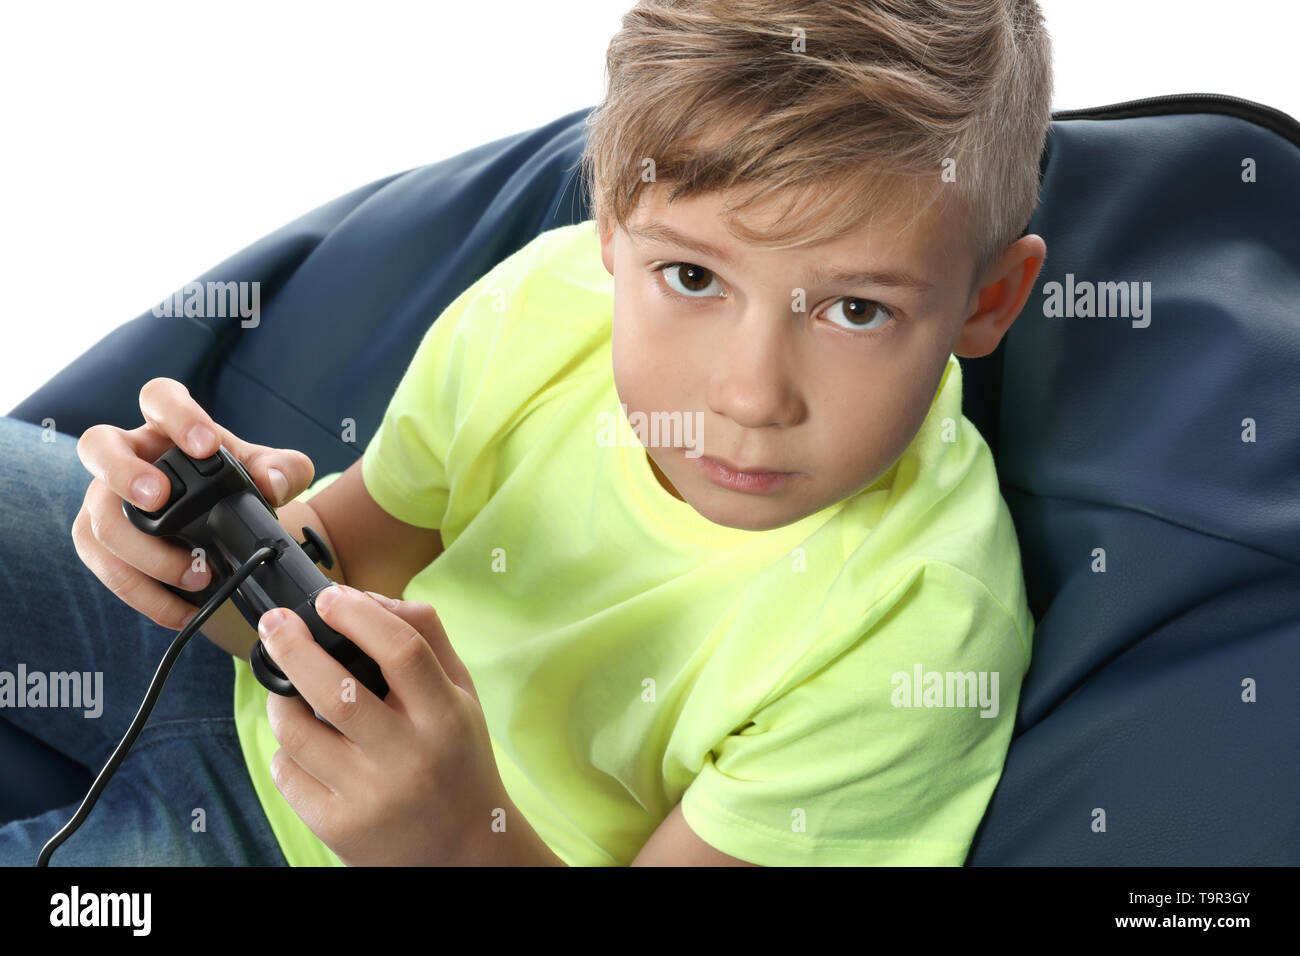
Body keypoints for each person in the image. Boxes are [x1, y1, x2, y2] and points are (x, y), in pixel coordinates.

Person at [1, 0, 1051, 866]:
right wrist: (210, 551)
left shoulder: (915, 627)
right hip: (233, 681)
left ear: (986, 301)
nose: (750, 393)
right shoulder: (549, 304)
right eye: (690, 277)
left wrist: (455, 836)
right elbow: (346, 563)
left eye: (854, 309)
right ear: (609, 229)